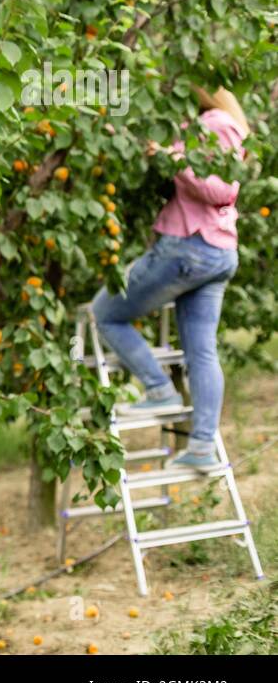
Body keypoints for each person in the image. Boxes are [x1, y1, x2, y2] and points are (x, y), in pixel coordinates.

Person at [91, 85, 250, 470]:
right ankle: (200, 451)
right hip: (211, 251)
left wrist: (174, 157)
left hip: (191, 248)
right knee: (201, 351)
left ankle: (159, 388)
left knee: (106, 312)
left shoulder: (217, 123)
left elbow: (222, 190)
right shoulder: (198, 124)